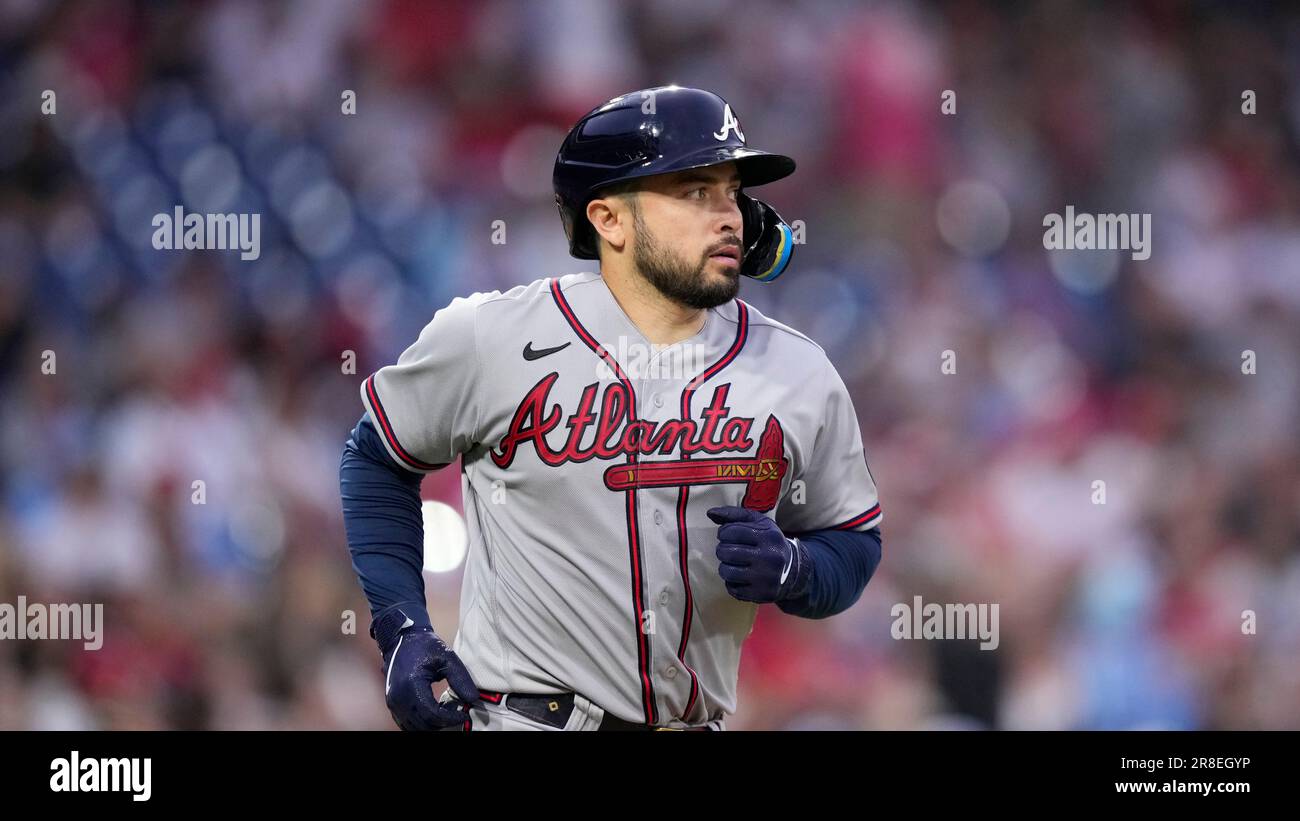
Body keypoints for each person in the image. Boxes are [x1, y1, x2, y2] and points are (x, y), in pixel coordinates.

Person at [340, 86, 883, 731]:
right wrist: (402, 624)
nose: (730, 216)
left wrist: (799, 569)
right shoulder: (491, 336)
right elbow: (375, 457)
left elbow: (853, 540)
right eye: (694, 192)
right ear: (609, 220)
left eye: (733, 191)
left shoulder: (797, 370)